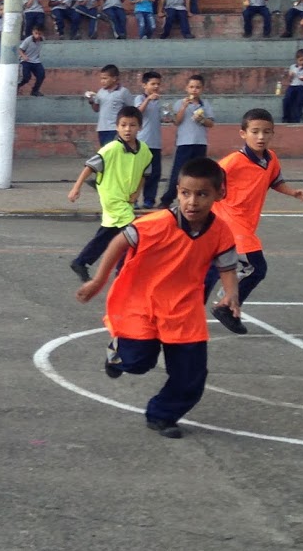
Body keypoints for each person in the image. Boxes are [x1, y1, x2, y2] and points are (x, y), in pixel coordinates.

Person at [74, 157, 239, 440]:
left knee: (191, 376)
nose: (192, 202)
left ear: (219, 194)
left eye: (202, 194)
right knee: (139, 362)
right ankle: (117, 354)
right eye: (186, 193)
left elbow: (227, 266)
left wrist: (232, 293)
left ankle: (162, 415)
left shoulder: (220, 231)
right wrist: (99, 280)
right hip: (143, 303)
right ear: (177, 191)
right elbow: (120, 240)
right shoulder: (157, 224)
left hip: (184, 309)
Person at [204, 108, 303, 334]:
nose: (260, 137)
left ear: (272, 134)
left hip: (245, 223)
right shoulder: (232, 162)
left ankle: (191, 308)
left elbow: (274, 181)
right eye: (255, 132)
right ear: (243, 134)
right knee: (256, 268)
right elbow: (206, 181)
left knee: (212, 270)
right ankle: (226, 305)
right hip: (230, 222)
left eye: (266, 132)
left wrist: (292, 192)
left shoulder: (270, 159)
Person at [68, 105, 151, 282]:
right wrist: (76, 187)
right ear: (117, 127)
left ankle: (81, 261)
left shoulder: (144, 150)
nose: (127, 129)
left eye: (132, 125)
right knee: (133, 233)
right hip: (112, 198)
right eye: (123, 125)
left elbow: (145, 172)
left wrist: (137, 192)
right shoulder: (111, 149)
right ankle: (122, 271)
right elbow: (89, 166)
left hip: (125, 199)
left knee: (106, 234)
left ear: (140, 127)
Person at [159, 74, 214, 207]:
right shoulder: (180, 103)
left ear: (202, 89)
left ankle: (196, 198)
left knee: (198, 173)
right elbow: (177, 121)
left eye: (197, 87)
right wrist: (184, 107)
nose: (194, 90)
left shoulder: (205, 105)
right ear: (186, 88)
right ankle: (167, 199)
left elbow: (210, 123)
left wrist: (201, 119)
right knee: (178, 172)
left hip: (200, 143)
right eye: (191, 87)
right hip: (184, 143)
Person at [133, 71, 167, 209]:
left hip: (155, 142)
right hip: (142, 142)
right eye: (153, 84)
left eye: (158, 84)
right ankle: (133, 199)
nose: (156, 86)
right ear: (144, 85)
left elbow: (161, 118)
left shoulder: (159, 102)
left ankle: (149, 199)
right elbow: (137, 113)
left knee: (154, 173)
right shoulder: (139, 98)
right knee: (138, 173)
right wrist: (148, 100)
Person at [87, 64, 132, 146]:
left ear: (114, 78)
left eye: (105, 78)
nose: (102, 81)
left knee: (114, 151)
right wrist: (91, 101)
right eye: (101, 79)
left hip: (116, 128)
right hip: (102, 128)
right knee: (105, 152)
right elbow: (96, 109)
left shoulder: (123, 92)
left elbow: (131, 109)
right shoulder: (101, 92)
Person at [282, 48, 303, 123]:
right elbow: (289, 80)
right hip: (293, 86)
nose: (302, 62)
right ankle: (286, 118)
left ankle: (297, 118)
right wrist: (290, 75)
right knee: (286, 99)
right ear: (297, 60)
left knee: (299, 101)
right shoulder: (292, 67)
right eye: (300, 60)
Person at [16, 25, 46, 97]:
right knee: (26, 77)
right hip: (26, 61)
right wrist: (24, 56)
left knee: (41, 75)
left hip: (36, 61)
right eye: (36, 33)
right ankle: (18, 86)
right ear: (33, 32)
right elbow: (20, 49)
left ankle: (35, 91)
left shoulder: (42, 39)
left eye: (39, 34)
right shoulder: (28, 40)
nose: (37, 36)